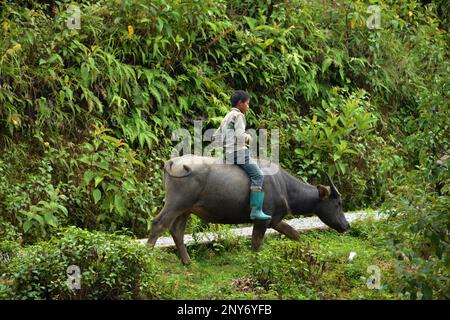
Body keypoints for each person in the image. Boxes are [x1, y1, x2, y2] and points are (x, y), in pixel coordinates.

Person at [213, 90, 271, 220]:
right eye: (248, 103)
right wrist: (249, 137)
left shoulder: (226, 117)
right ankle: (256, 210)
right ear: (240, 103)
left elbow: (215, 136)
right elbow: (240, 136)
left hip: (228, 153)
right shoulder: (239, 116)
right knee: (258, 175)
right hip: (239, 152)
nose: (248, 107)